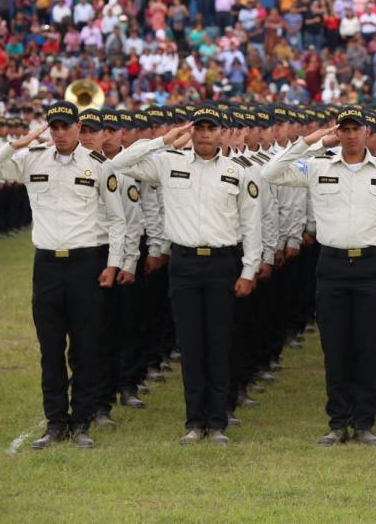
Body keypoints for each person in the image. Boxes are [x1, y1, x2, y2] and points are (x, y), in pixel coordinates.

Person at [0, 100, 126, 449]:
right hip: (47, 266)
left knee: (86, 346)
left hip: (85, 263)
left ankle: (82, 421)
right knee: (50, 347)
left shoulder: (97, 164)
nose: (59, 133)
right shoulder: (32, 159)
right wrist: (15, 145)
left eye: (65, 126)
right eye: (53, 127)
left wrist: (113, 263)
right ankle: (56, 422)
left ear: (76, 127)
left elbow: (117, 219)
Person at [109, 106, 263, 445]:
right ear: (190, 132)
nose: (205, 134)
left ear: (222, 132)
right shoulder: (169, 163)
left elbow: (252, 224)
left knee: (219, 342)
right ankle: (195, 421)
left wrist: (249, 268)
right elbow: (117, 163)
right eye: (200, 128)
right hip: (185, 264)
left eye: (211, 128)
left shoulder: (238, 171)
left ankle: (218, 421)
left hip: (224, 263)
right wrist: (162, 140)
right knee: (191, 345)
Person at [262, 107, 376, 447]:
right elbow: (271, 172)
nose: (351, 135)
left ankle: (364, 422)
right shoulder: (318, 167)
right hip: (332, 266)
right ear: (337, 133)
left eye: (357, 129)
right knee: (336, 347)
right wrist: (312, 141)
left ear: (368, 134)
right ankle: (337, 421)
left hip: (372, 267)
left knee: (368, 347)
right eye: (344, 129)